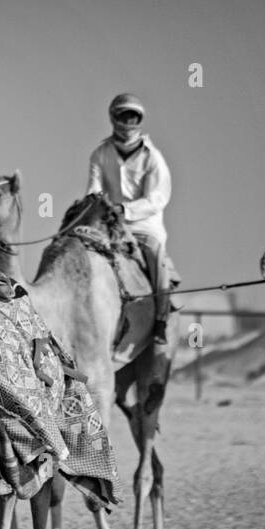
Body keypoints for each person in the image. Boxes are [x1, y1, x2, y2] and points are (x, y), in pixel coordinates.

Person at [85, 92, 173, 345]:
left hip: (145, 226)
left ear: (140, 120)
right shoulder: (100, 153)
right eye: (124, 115)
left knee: (156, 256)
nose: (129, 121)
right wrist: (94, 205)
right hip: (109, 225)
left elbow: (157, 198)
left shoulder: (152, 158)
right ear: (114, 117)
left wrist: (125, 210)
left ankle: (161, 320)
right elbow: (93, 188)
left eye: (133, 116)